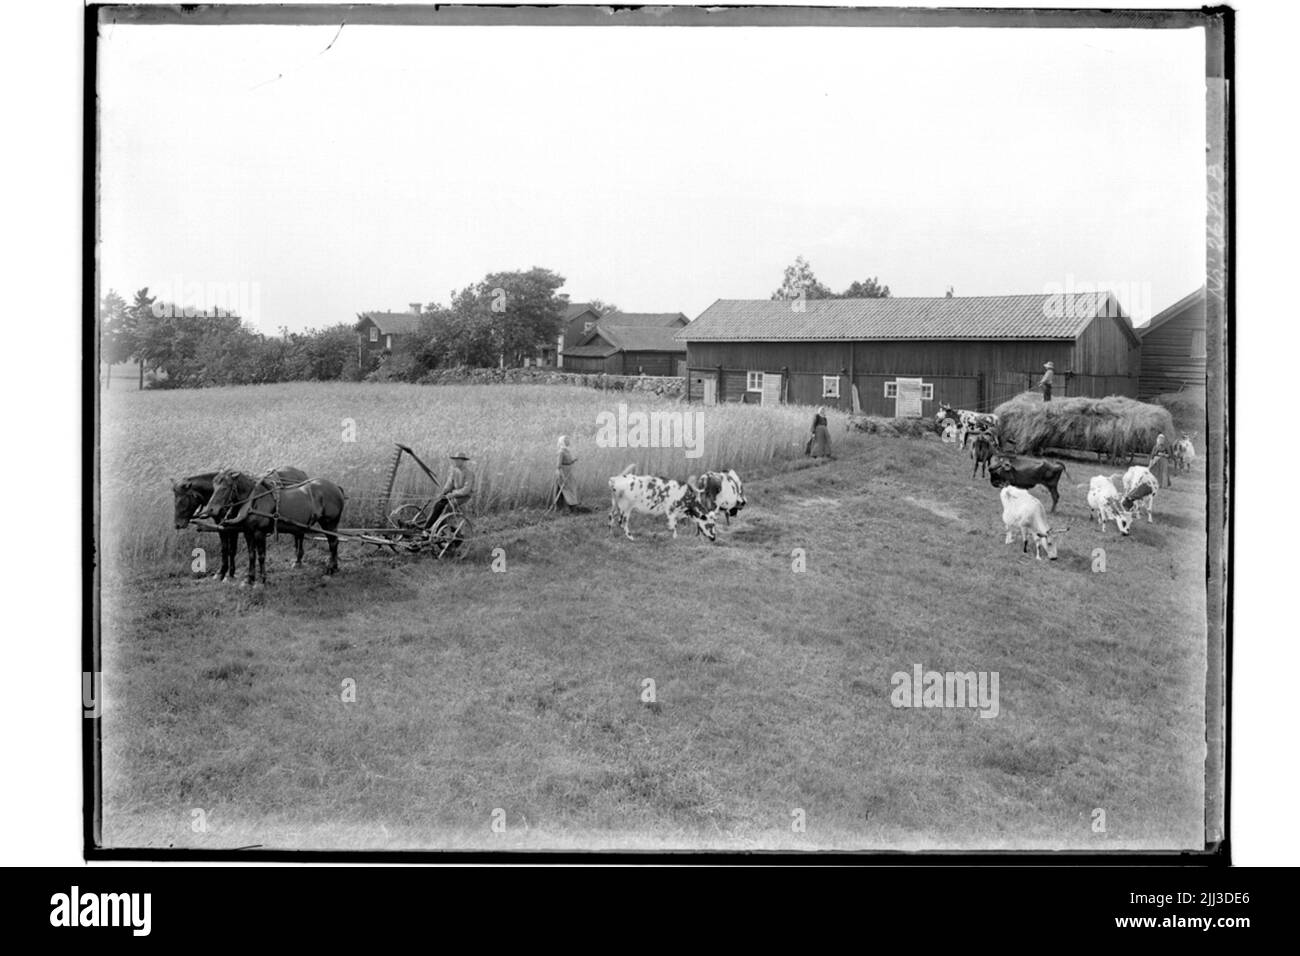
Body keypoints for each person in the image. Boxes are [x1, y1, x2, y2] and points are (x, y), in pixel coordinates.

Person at [424, 452, 474, 530]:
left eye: (458, 460)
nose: (456, 462)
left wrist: (453, 494)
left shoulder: (469, 473)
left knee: (447, 507)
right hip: (453, 494)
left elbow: (466, 490)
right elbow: (449, 484)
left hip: (464, 497)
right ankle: (427, 527)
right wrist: (443, 492)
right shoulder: (454, 471)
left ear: (463, 461)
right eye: (455, 460)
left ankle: (437, 528)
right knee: (438, 504)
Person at [552, 435, 579, 513]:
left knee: (570, 488)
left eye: (568, 440)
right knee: (565, 489)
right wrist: (561, 475)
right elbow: (558, 465)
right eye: (566, 440)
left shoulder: (567, 451)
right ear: (562, 442)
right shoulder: (561, 452)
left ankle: (569, 507)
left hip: (568, 472)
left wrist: (573, 460)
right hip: (563, 472)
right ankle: (567, 507)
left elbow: (568, 461)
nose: (568, 441)